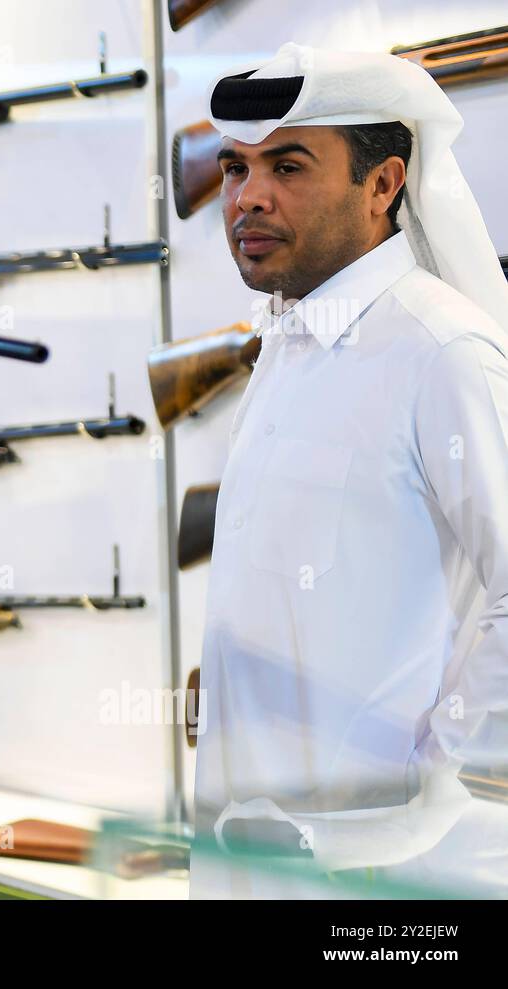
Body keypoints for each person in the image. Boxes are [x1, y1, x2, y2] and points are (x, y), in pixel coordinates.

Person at [192, 43, 508, 897]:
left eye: (287, 166)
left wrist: (426, 792)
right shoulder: (287, 344)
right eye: (234, 167)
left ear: (384, 184)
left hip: (377, 877)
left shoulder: (442, 350)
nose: (247, 196)